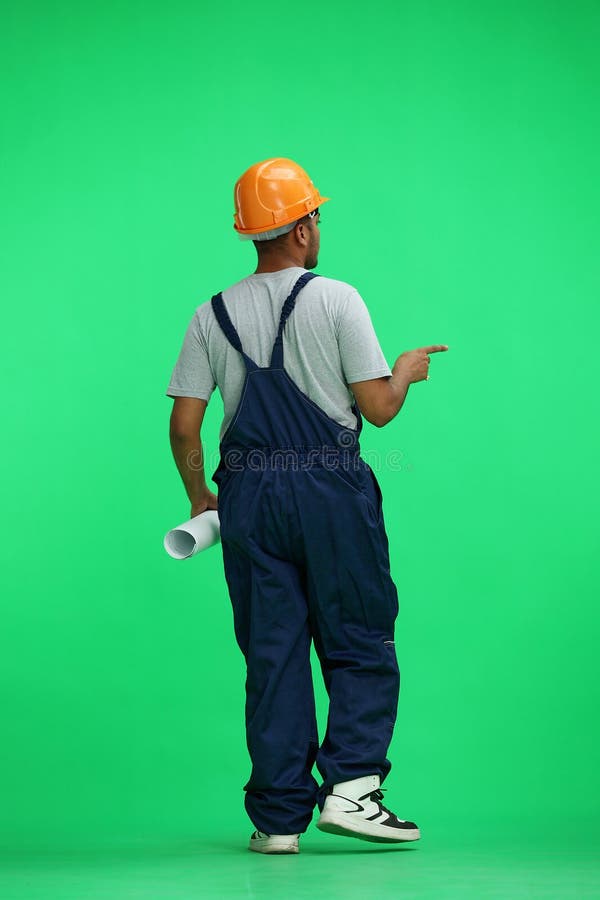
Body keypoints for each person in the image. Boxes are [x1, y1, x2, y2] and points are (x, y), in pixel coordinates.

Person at [166, 158, 448, 854]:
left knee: (273, 652)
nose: (319, 227)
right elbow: (378, 411)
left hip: (250, 495)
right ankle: (353, 789)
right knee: (357, 635)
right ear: (299, 230)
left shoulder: (211, 314)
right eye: (315, 216)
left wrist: (201, 495)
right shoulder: (338, 299)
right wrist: (405, 371)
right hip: (329, 490)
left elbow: (183, 427)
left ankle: (278, 819)